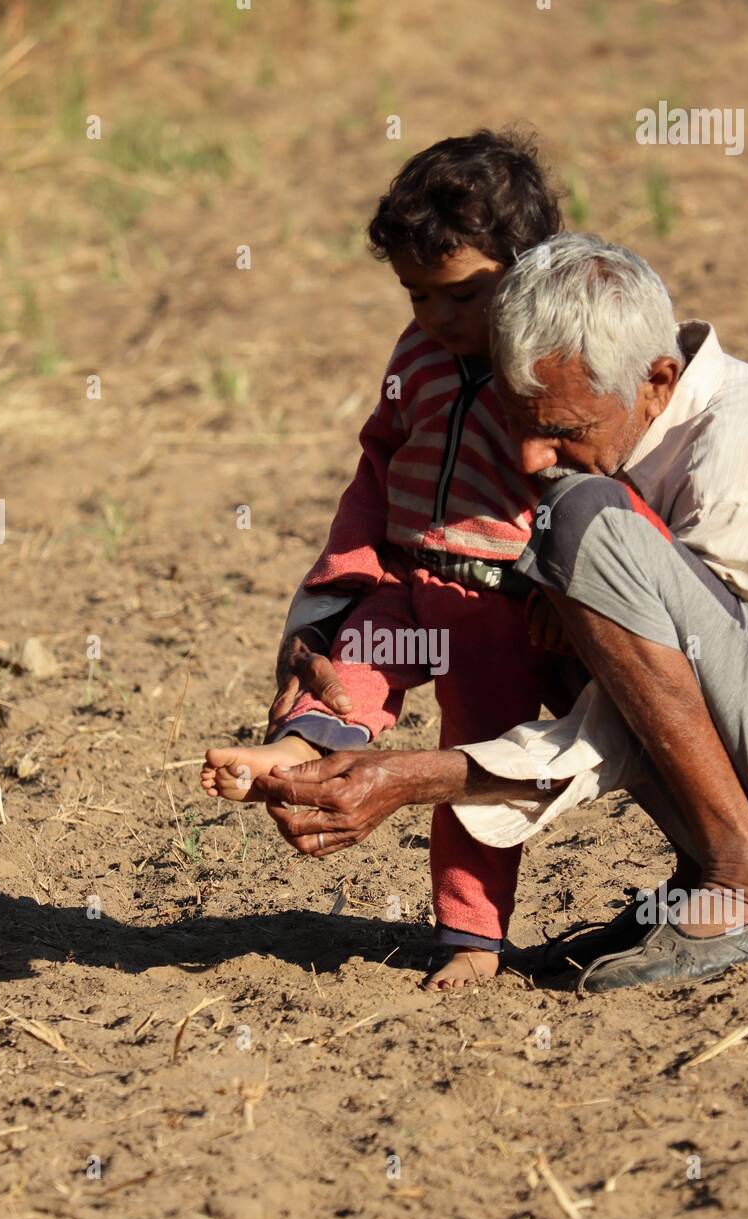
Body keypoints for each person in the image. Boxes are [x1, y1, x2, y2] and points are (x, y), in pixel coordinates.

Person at [254, 231, 748, 993]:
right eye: (519, 422)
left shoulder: (742, 460)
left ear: (658, 380)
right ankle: (706, 877)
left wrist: (414, 778)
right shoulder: (646, 418)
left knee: (577, 523)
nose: (533, 458)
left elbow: (648, 714)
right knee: (542, 575)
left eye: (562, 430)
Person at [202, 130, 568, 989]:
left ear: (528, 273)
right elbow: (377, 470)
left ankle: (472, 937)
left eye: (461, 297)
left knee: (476, 774)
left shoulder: (552, 374)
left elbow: (585, 488)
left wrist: (561, 586)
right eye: (415, 297)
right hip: (408, 584)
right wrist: (338, 587)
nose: (435, 319)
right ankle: (293, 759)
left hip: (496, 606)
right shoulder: (417, 360)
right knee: (343, 671)